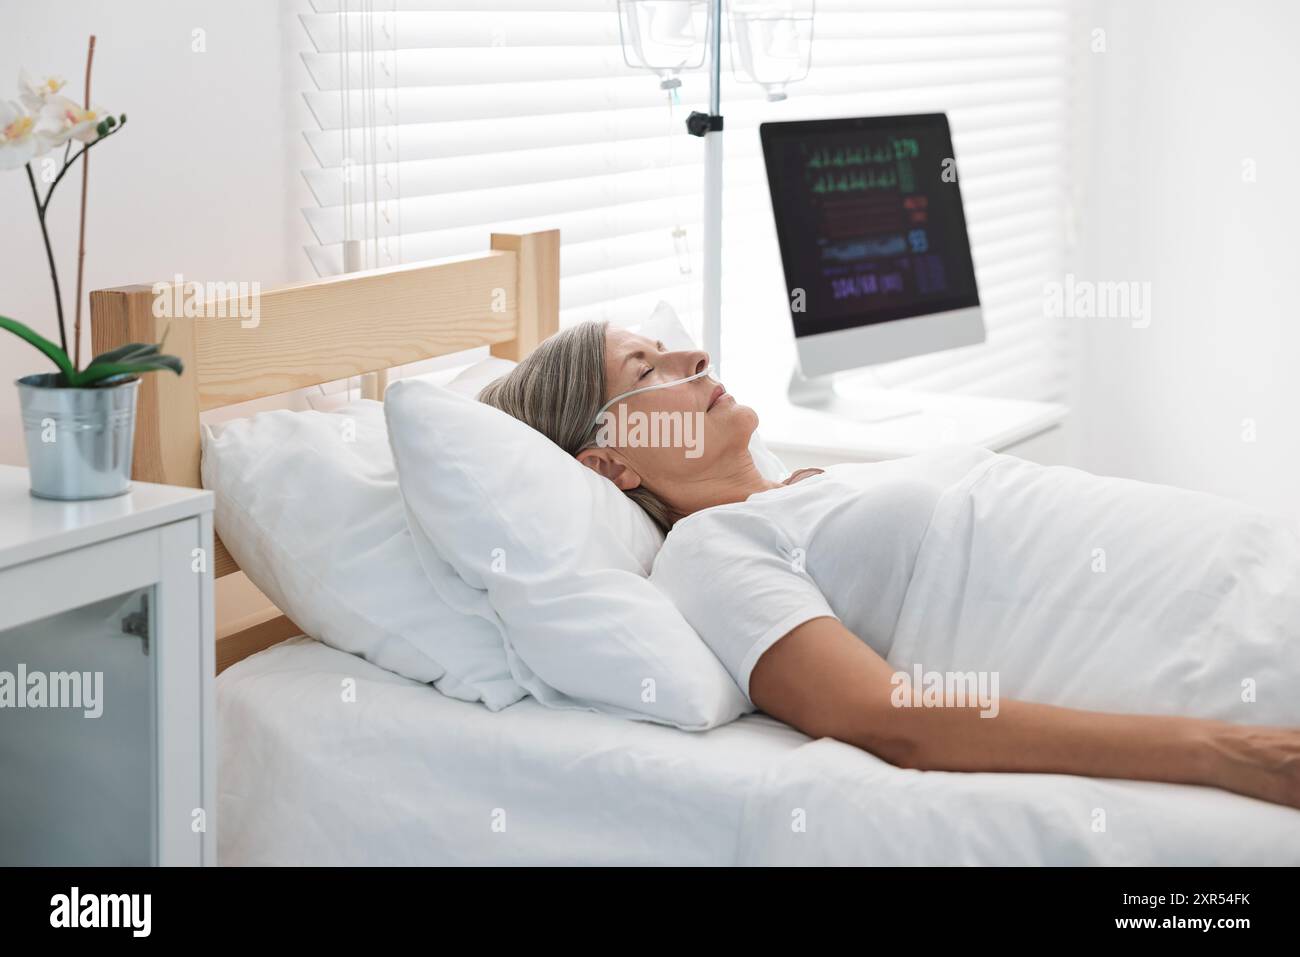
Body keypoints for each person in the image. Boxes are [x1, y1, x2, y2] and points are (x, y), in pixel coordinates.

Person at [479, 320, 1300, 812]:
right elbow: (890, 716)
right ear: (612, 464)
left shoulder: (805, 487)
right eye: (646, 369)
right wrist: (1218, 749)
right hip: (1227, 645)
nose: (692, 354)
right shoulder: (709, 551)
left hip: (1249, 564)